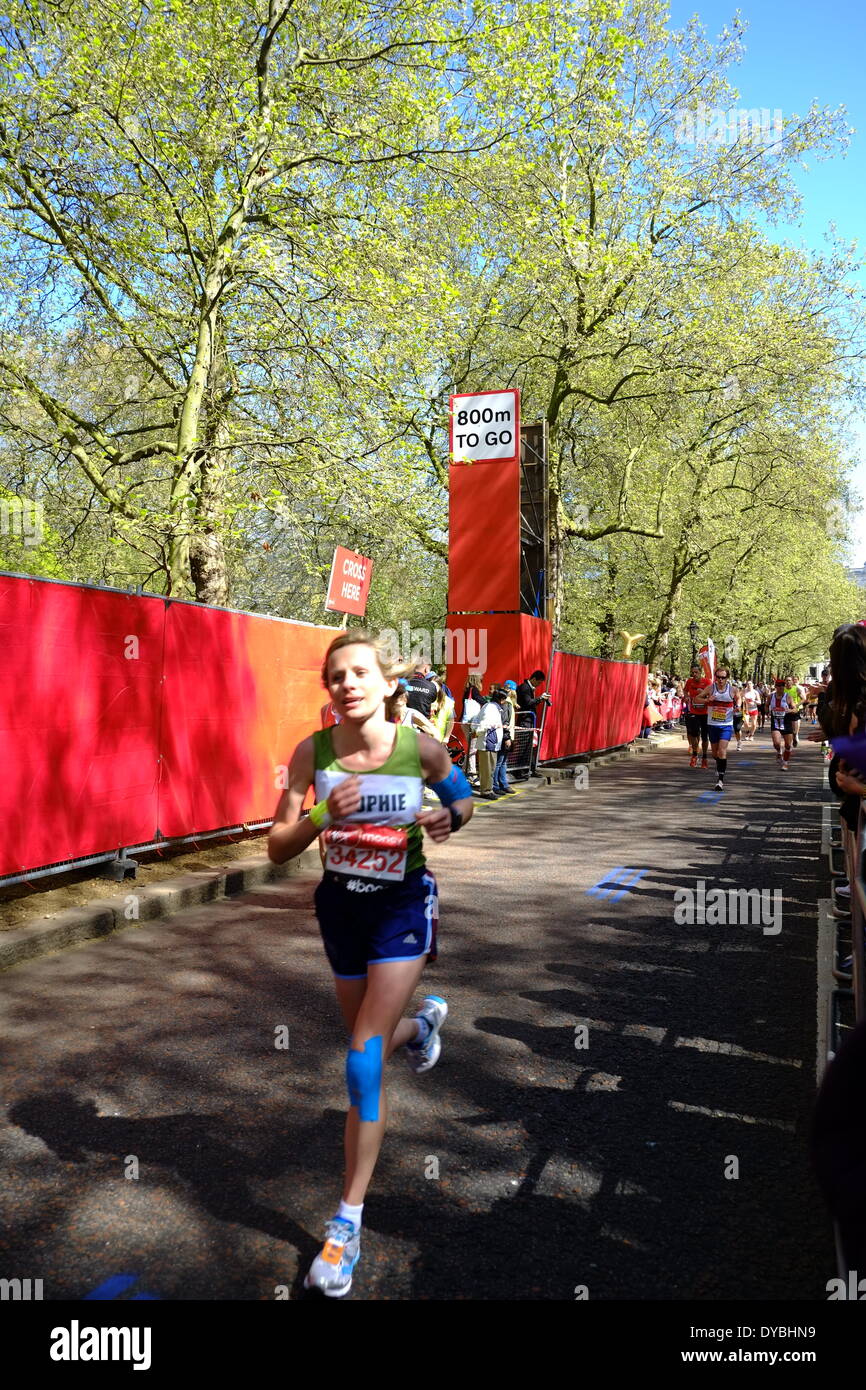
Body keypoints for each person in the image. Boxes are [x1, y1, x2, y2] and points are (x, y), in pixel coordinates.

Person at [267, 630, 473, 1297]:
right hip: (341, 912)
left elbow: (464, 798)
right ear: (327, 691)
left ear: (388, 684)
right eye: (336, 676)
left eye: (360, 673)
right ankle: (425, 1026)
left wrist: (449, 821)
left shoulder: (420, 748)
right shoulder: (311, 754)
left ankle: (346, 1222)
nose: (347, 683)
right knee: (373, 1045)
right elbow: (274, 847)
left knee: (360, 1058)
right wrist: (325, 811)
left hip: (401, 910)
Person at [700, 663, 739, 790]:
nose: (720, 680)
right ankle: (719, 765)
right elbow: (696, 699)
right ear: (715, 677)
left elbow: (738, 701)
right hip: (712, 724)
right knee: (715, 753)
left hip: (726, 725)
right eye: (718, 677)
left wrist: (738, 707)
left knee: (722, 751)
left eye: (723, 677)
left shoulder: (733, 690)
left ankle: (720, 781)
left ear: (727, 678)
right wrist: (707, 700)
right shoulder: (711, 688)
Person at [472, 688, 503, 799]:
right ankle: (486, 791)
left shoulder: (491, 707)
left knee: (490, 768)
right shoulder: (491, 708)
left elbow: (477, 719)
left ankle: (488, 788)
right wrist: (478, 732)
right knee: (487, 769)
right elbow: (484, 722)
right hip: (488, 742)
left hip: (490, 742)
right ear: (501, 699)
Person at [682, 663, 710, 769]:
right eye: (692, 672)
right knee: (693, 735)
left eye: (696, 672)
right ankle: (694, 755)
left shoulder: (707, 682)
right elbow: (685, 690)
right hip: (693, 712)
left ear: (700, 672)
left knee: (704, 736)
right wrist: (687, 696)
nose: (694, 674)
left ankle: (705, 758)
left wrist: (703, 692)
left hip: (705, 713)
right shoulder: (689, 681)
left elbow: (712, 695)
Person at [767, 676, 797, 769]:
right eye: (779, 686)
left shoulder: (788, 697)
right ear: (775, 687)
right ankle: (779, 752)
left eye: (782, 686)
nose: (781, 687)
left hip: (787, 723)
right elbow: (767, 705)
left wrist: (790, 711)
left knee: (788, 745)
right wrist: (767, 712)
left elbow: (795, 709)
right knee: (776, 743)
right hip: (775, 723)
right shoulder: (771, 696)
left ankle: (785, 763)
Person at [492, 687, 515, 796]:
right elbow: (504, 722)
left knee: (502, 762)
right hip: (502, 736)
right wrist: (507, 738)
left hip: (504, 735)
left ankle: (503, 784)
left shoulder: (506, 704)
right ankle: (497, 785)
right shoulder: (504, 705)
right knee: (499, 762)